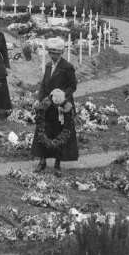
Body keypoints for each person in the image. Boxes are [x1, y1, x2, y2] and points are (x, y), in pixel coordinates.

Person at [31, 37, 79, 174]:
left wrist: (62, 95)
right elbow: (43, 85)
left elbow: (72, 85)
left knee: (59, 132)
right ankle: (42, 161)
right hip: (47, 104)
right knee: (44, 131)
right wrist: (38, 99)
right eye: (51, 53)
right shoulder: (48, 66)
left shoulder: (67, 67)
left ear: (61, 53)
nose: (54, 56)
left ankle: (58, 163)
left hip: (62, 105)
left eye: (56, 53)